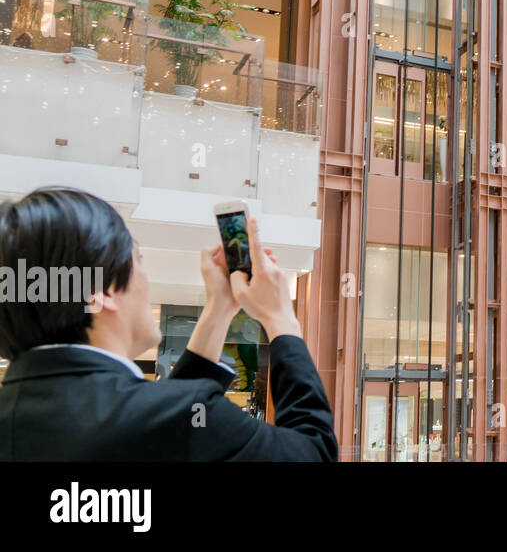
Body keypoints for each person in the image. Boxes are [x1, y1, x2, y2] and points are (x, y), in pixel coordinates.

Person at [0, 187, 337, 460]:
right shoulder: (168, 420)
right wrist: (280, 319)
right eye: (138, 260)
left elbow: (170, 425)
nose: (144, 277)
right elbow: (315, 451)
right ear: (98, 292)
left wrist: (219, 310)